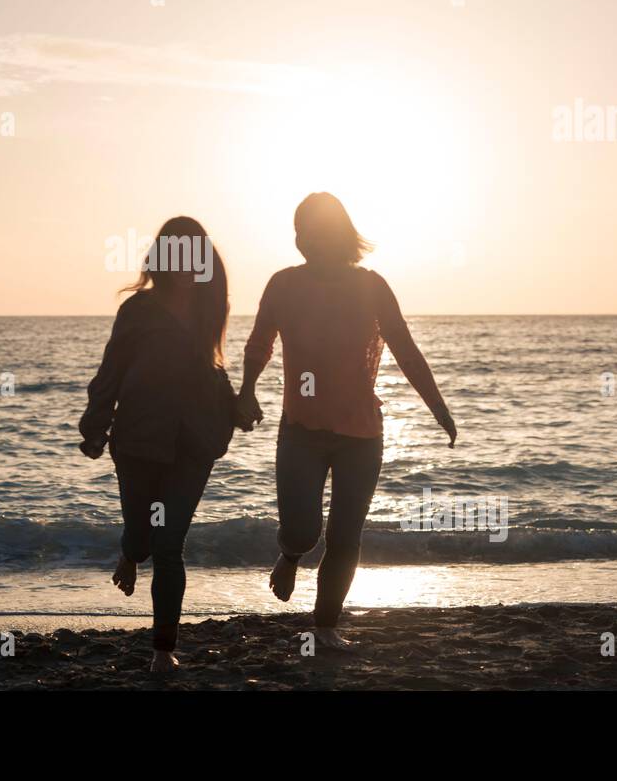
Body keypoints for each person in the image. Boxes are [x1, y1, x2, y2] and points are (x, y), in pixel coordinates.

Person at [237, 193, 456, 649]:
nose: (303, 239)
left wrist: (438, 408)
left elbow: (406, 350)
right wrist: (246, 391)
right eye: (299, 230)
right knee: (303, 529)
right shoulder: (283, 285)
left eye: (313, 230)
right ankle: (291, 553)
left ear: (338, 234)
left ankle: (325, 627)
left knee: (344, 535)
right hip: (300, 429)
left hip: (361, 433)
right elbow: (259, 343)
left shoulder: (372, 286)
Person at [79, 216, 242, 673]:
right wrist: (95, 424)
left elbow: (212, 366)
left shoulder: (210, 306)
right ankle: (130, 552)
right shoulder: (138, 310)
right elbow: (111, 371)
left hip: (194, 441)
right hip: (138, 439)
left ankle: (163, 650)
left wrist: (236, 406)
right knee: (143, 539)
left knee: (170, 546)